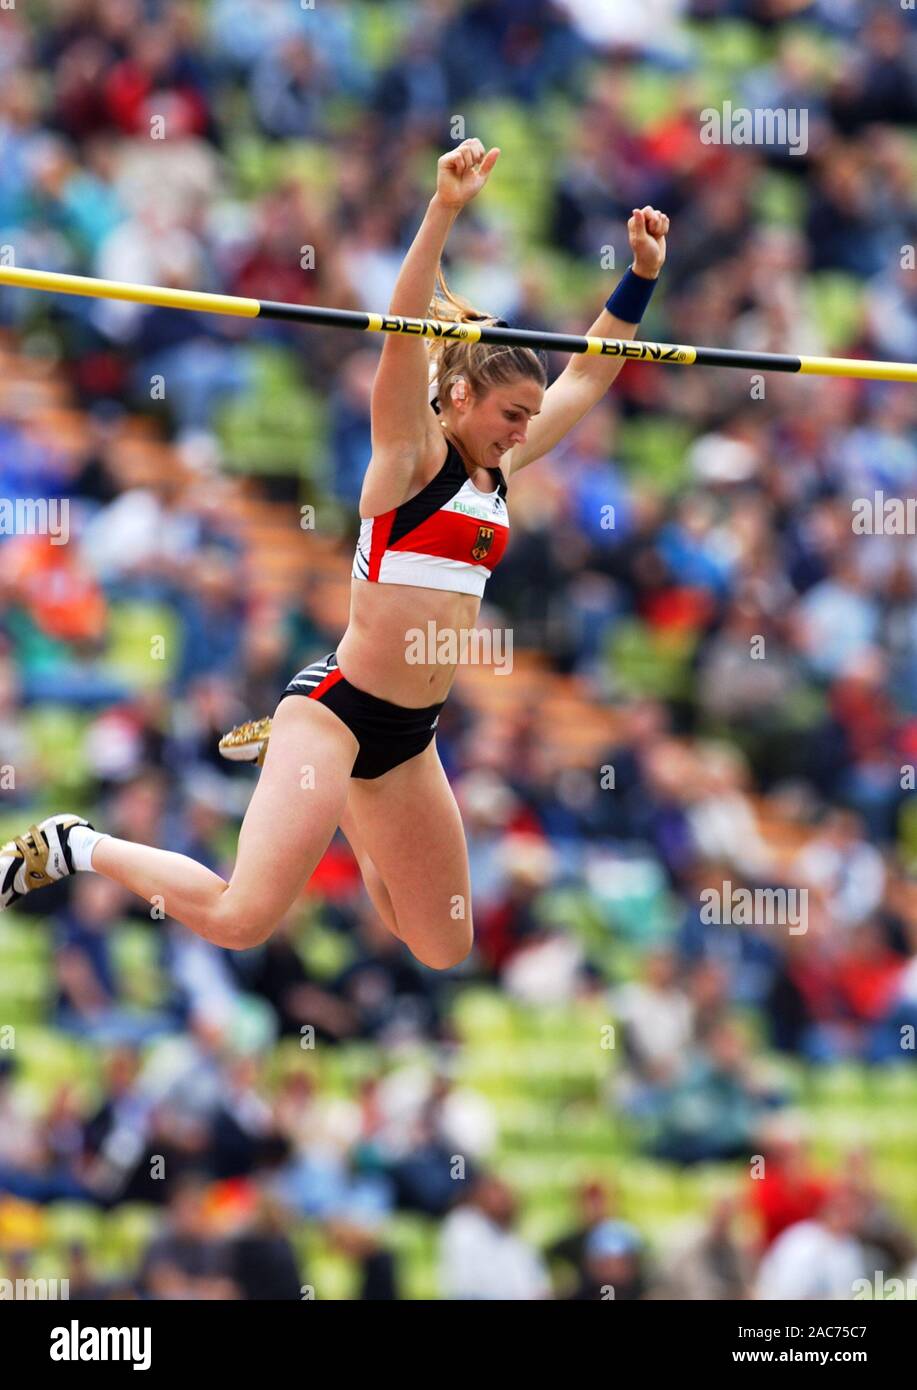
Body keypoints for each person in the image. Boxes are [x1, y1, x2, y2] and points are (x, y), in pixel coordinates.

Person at [1, 137, 669, 973]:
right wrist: (443, 211)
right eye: (511, 413)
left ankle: (329, 785)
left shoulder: (501, 468)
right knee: (243, 916)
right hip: (337, 711)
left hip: (409, 735)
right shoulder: (406, 460)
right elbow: (399, 339)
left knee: (438, 940)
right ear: (458, 396)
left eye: (529, 417)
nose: (525, 429)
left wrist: (639, 275)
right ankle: (75, 844)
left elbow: (588, 379)